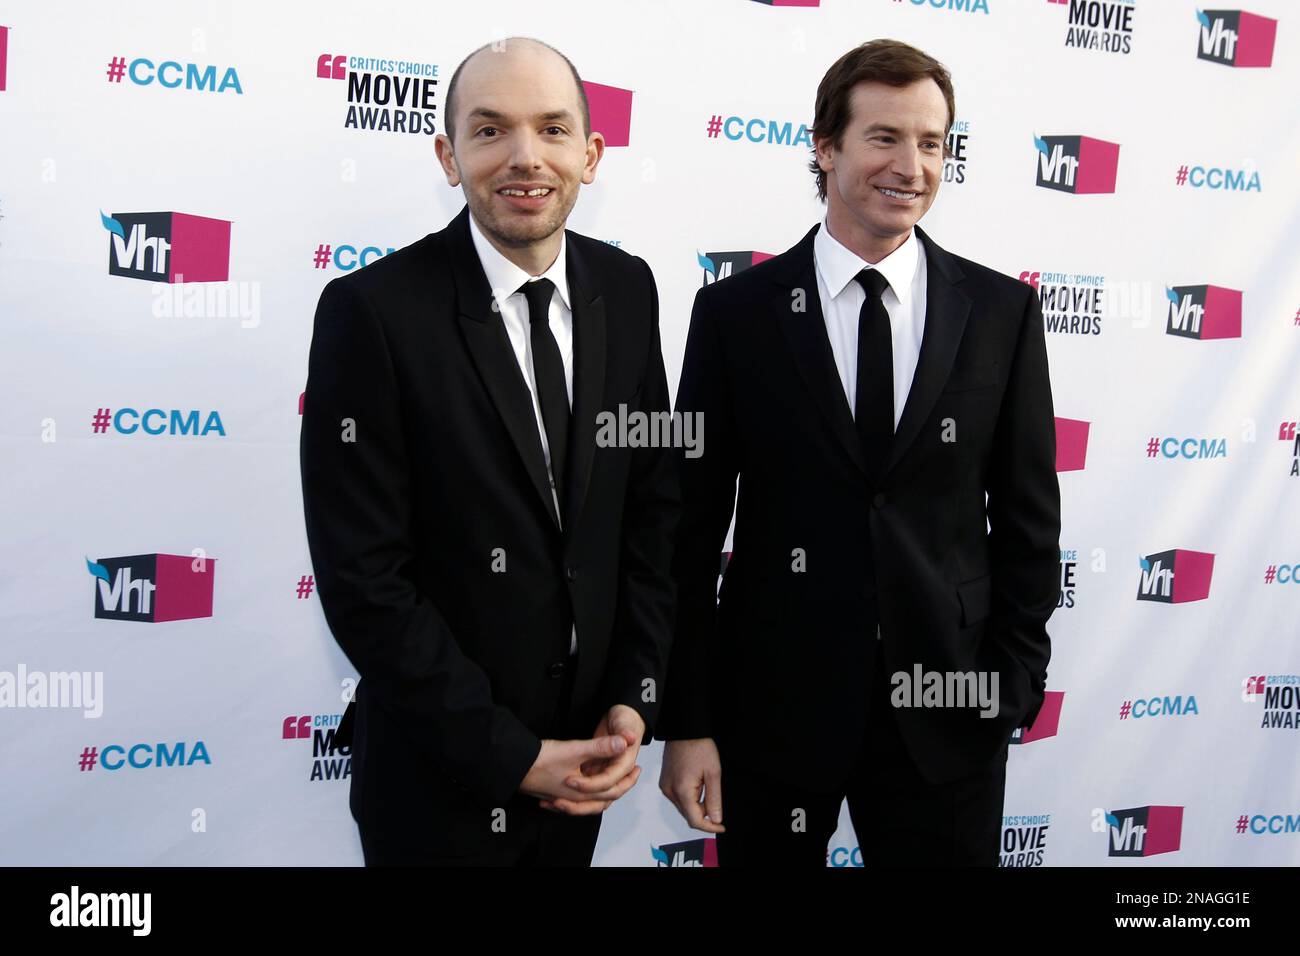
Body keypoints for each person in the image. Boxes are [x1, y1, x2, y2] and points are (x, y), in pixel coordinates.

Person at [657, 39, 1061, 866]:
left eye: (931, 142)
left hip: (951, 717)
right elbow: (688, 534)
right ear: (826, 146)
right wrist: (689, 721)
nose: (910, 165)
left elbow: (1029, 521)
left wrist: (1009, 688)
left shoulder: (1000, 313)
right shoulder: (736, 316)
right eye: (884, 137)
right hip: (769, 716)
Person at [300, 36, 678, 866]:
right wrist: (514, 758)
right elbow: (364, 581)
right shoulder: (372, 314)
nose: (524, 157)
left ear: (592, 151)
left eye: (551, 129)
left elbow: (650, 516)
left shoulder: (630, 288)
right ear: (447, 154)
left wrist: (632, 698)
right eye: (489, 130)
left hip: (589, 764)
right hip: (438, 781)